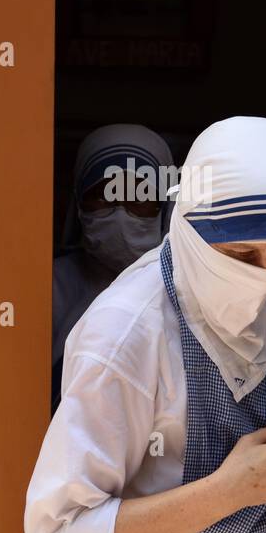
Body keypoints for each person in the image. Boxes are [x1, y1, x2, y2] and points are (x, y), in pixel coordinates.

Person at [25, 116, 266, 533]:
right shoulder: (125, 332)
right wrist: (227, 492)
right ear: (189, 226)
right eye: (239, 255)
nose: (263, 278)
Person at [51, 124, 176, 414]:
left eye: (139, 198)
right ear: (80, 203)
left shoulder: (188, 289)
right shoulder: (52, 286)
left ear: (164, 205)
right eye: (104, 196)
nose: (121, 212)